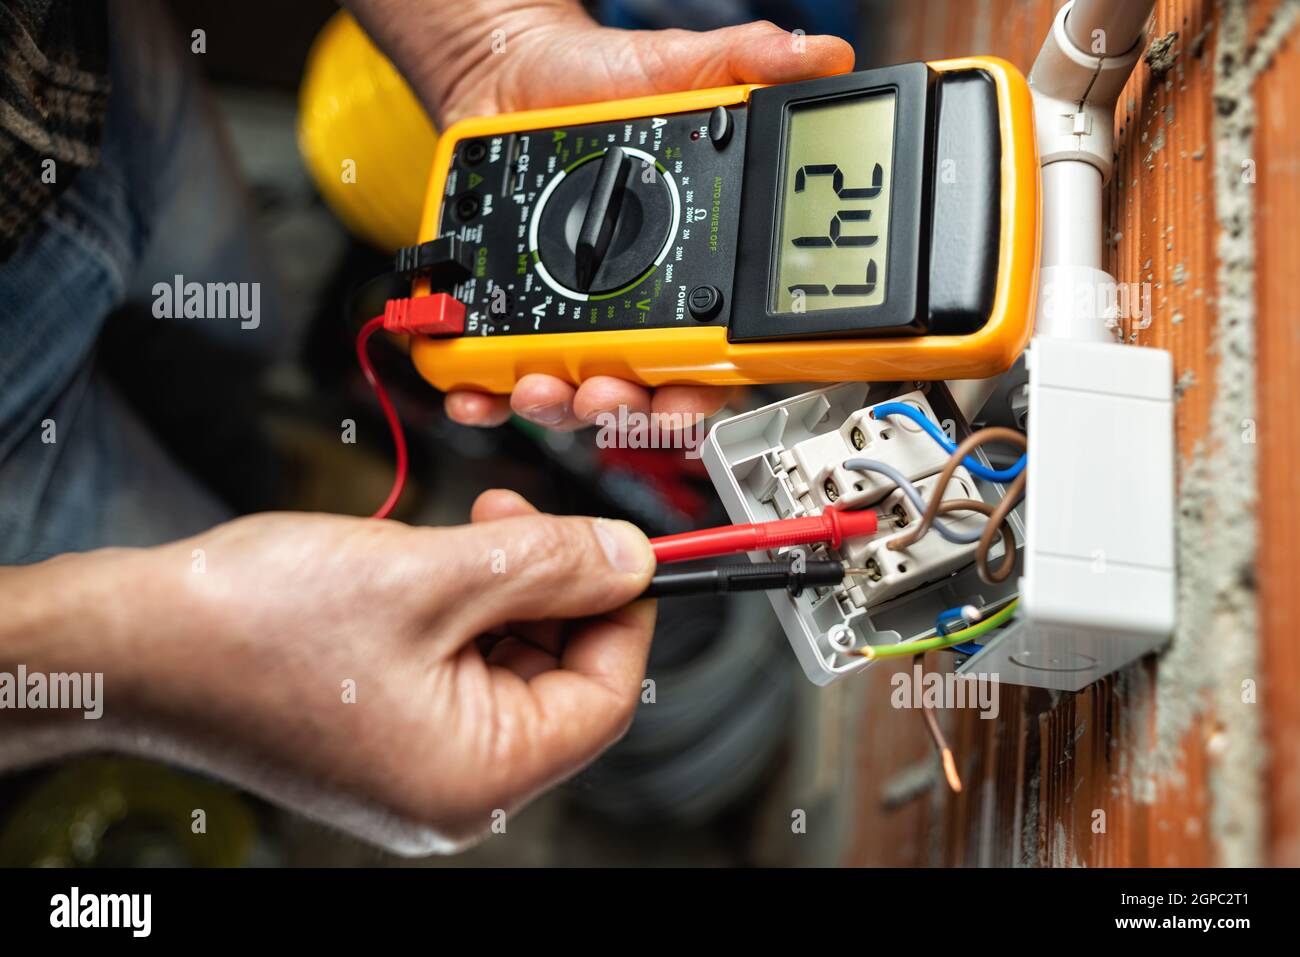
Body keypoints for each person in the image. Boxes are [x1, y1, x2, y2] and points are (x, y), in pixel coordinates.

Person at [0, 0, 852, 853]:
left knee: (235, 342)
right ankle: (276, 519)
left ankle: (285, 484)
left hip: (88, 72)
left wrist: (488, 42)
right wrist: (139, 653)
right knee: (173, 543)